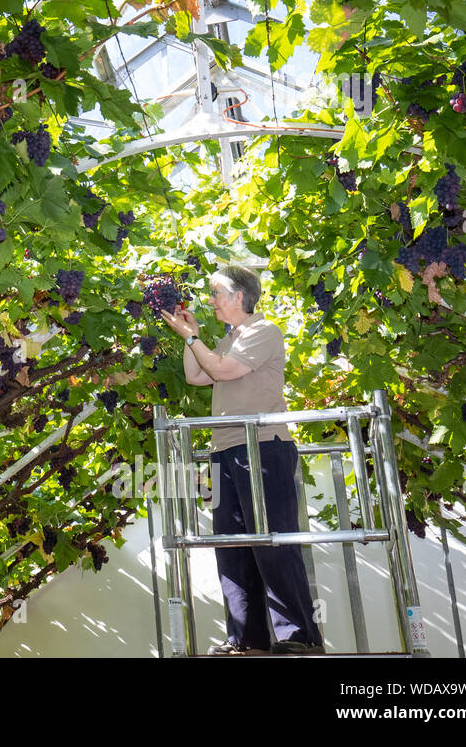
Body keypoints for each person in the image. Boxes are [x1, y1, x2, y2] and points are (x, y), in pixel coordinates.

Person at [160, 265, 323, 657]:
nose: (211, 300)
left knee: (273, 541)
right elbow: (196, 376)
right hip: (226, 451)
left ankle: (299, 637)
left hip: (262, 447)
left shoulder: (262, 332)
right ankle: (246, 640)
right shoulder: (231, 338)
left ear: (239, 296)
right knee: (231, 546)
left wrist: (194, 336)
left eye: (217, 293)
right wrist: (191, 337)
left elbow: (220, 370)